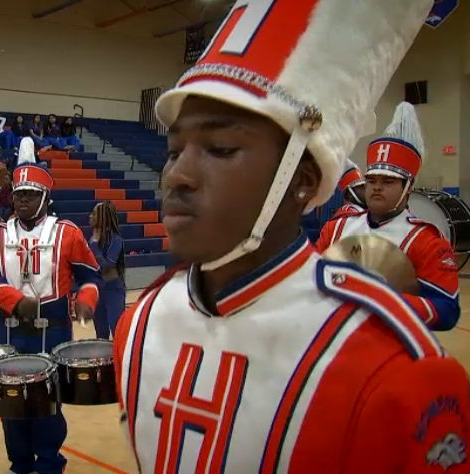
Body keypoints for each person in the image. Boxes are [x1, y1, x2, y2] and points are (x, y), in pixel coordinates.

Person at [114, 1, 470, 472]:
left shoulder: (395, 373)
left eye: (220, 148)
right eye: (175, 150)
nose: (176, 175)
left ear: (303, 181)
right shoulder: (138, 325)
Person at [0, 136, 101, 474]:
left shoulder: (68, 233)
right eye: (18, 194)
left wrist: (86, 301)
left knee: (47, 404)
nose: (22, 200)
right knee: (10, 403)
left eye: (30, 194)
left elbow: (90, 278)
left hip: (53, 331)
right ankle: (20, 463)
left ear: (46, 197)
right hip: (9, 330)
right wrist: (15, 301)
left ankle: (49, 463)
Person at [315, 101, 460, 331]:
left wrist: (382, 298)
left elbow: (447, 310)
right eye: (371, 180)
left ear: (408, 187)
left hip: (389, 339)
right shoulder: (337, 227)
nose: (377, 187)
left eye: (388, 181)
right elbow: (308, 276)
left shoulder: (427, 242)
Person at [88, 202, 125, 339]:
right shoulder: (92, 238)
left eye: (94, 214)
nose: (90, 216)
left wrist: (94, 245)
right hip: (98, 290)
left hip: (112, 289)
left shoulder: (116, 239)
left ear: (103, 217)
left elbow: (107, 265)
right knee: (101, 333)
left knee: (117, 330)